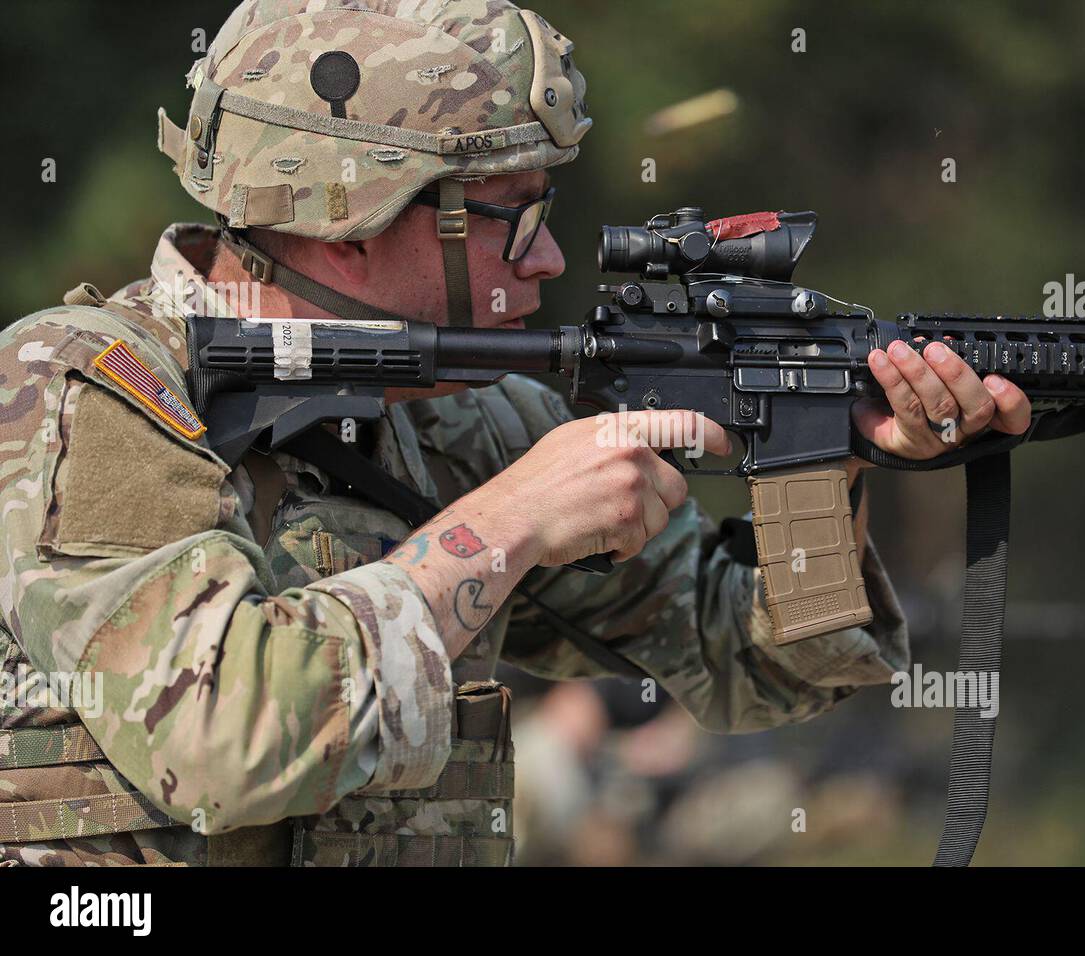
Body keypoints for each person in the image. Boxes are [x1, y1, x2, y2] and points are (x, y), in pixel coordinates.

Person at [0, 0, 1030, 867]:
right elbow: (225, 739)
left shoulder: (463, 417)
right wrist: (507, 524)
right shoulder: (85, 387)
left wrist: (825, 448)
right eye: (511, 218)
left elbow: (755, 664)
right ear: (349, 218)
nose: (544, 264)